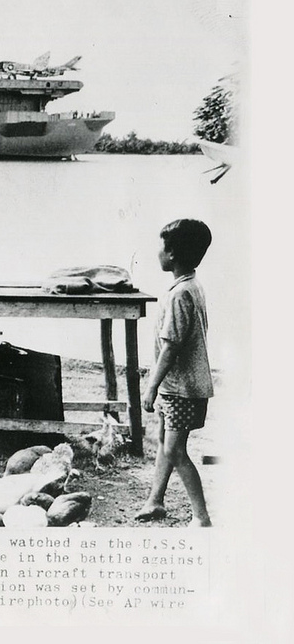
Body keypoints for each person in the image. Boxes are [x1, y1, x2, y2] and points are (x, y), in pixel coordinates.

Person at [136, 219, 214, 526]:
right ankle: (155, 501)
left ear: (172, 254)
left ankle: (201, 516)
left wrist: (150, 387)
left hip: (181, 387)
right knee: (164, 441)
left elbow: (170, 348)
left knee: (175, 450)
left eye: (161, 246)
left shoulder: (180, 294)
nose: (157, 251)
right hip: (177, 386)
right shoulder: (190, 285)